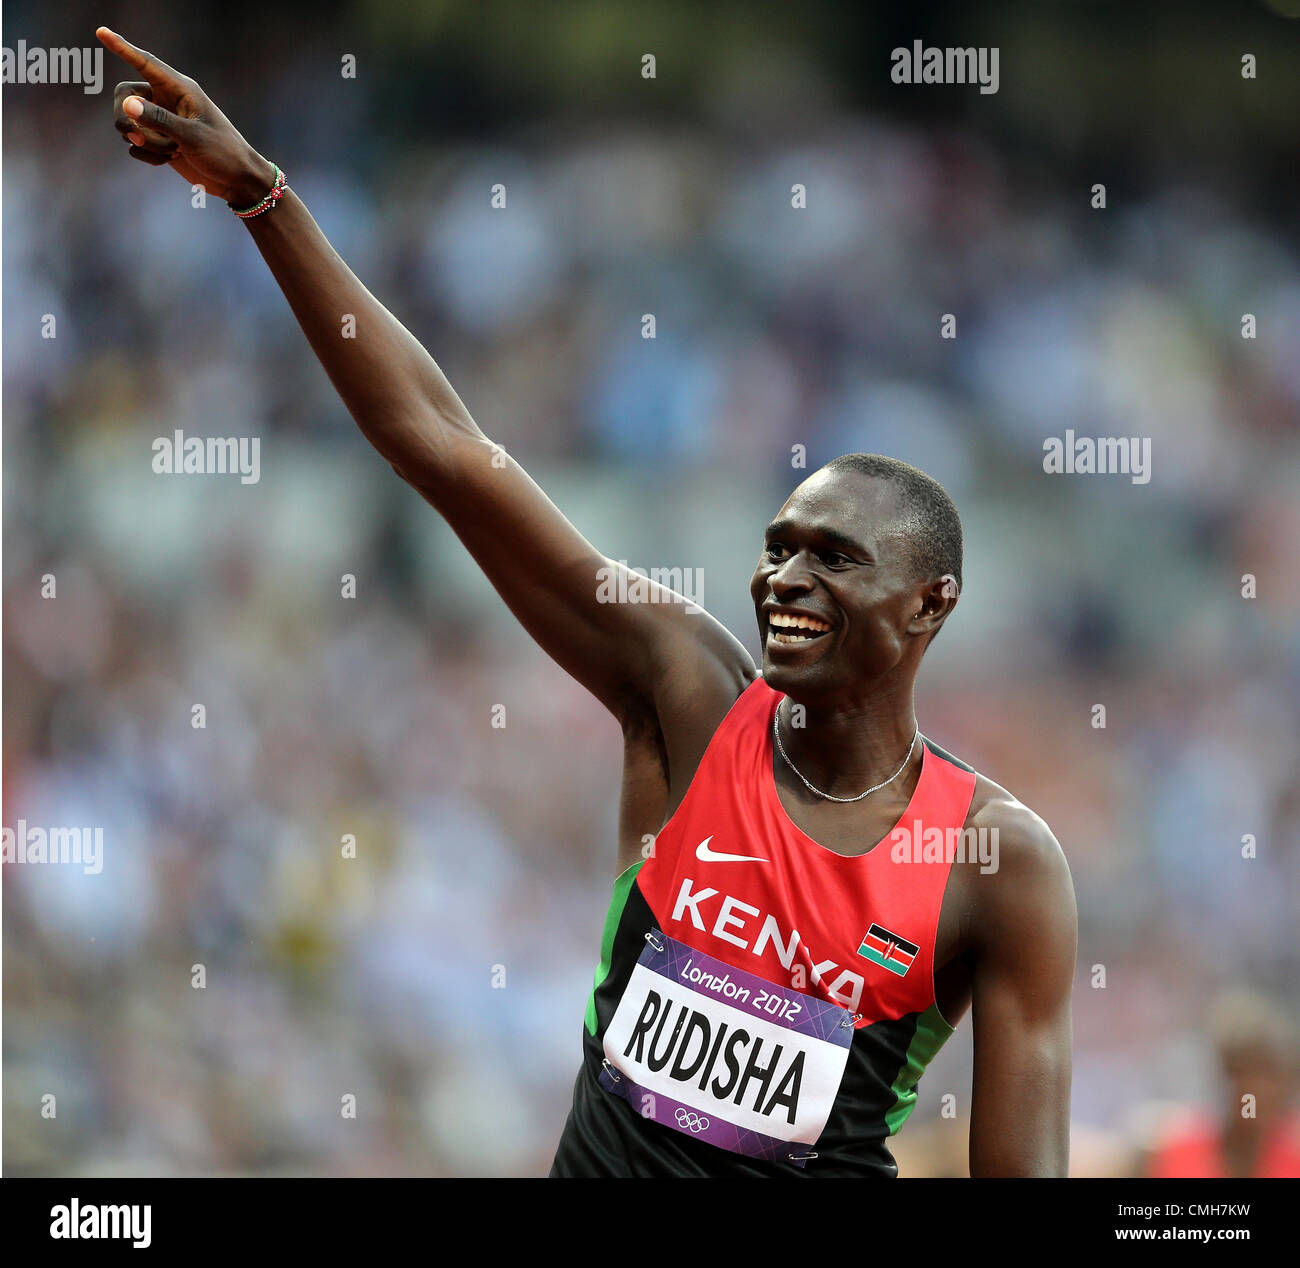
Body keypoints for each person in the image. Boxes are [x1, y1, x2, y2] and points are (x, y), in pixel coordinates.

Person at [96, 26, 1078, 1177]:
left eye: (833, 558)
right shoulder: (687, 687)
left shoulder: (995, 860)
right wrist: (263, 197)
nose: (784, 578)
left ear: (929, 605)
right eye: (776, 548)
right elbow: (445, 448)